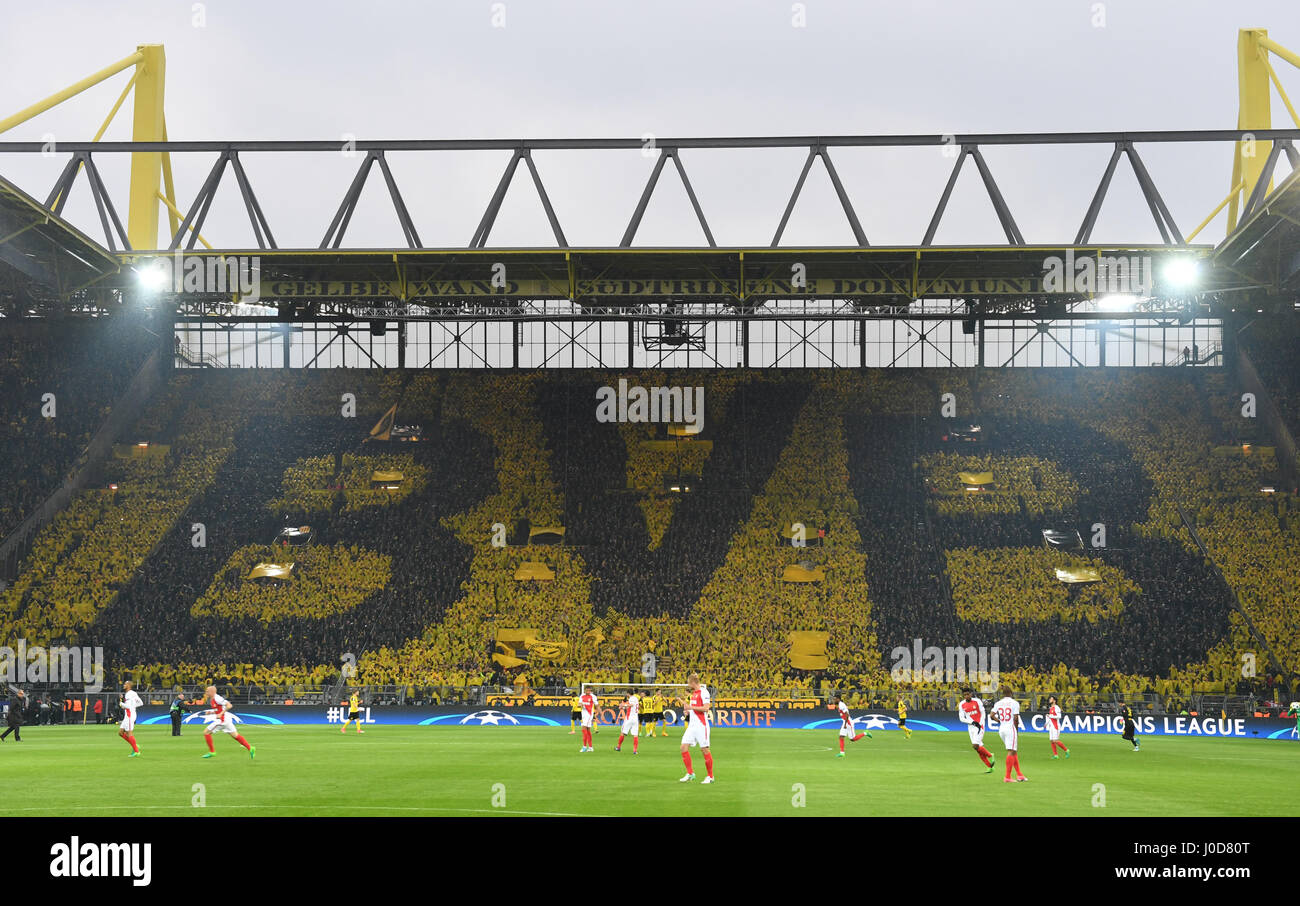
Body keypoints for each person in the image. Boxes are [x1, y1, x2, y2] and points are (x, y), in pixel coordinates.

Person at [198, 686, 255, 759]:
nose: (206, 693)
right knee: (235, 736)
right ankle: (250, 748)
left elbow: (229, 705)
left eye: (207, 691)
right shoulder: (212, 699)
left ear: (212, 692)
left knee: (206, 732)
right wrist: (210, 712)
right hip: (226, 720)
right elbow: (218, 710)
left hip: (222, 720)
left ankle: (212, 752)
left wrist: (221, 714)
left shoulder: (217, 698)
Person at [678, 673, 714, 783]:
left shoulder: (704, 692)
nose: (688, 685)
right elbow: (694, 709)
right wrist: (688, 711)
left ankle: (710, 776)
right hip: (692, 725)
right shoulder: (694, 694)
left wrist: (691, 707)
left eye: (689, 683)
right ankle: (690, 774)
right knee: (683, 747)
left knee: (704, 750)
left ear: (693, 682)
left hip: (701, 725)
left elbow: (706, 708)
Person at [991, 687, 1027, 783]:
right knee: (1011, 752)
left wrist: (999, 721)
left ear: (1003, 694)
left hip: (1002, 729)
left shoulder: (998, 703)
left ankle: (1019, 775)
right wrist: (1016, 730)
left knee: (1013, 751)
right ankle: (1007, 777)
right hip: (1010, 728)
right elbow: (1016, 718)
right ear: (1011, 693)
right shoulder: (1014, 703)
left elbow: (991, 715)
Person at [958, 688, 995, 774]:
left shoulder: (977, 701)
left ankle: (990, 755)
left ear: (971, 694)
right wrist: (972, 722)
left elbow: (983, 713)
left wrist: (980, 723)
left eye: (968, 694)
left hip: (979, 726)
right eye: (965, 695)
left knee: (975, 745)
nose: (967, 696)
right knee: (978, 749)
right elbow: (961, 718)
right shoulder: (961, 704)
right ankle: (989, 767)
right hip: (971, 727)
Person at [120, 681, 143, 757]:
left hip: (130, 715)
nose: (124, 685)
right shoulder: (132, 693)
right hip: (127, 715)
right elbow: (140, 703)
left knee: (129, 733)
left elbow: (129, 706)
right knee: (120, 733)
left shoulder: (129, 694)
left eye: (125, 684)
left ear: (129, 685)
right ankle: (135, 745)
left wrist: (122, 704)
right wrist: (132, 706)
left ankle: (136, 751)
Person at [578, 687, 597, 753]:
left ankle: (584, 747)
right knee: (588, 730)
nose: (588, 691)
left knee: (584, 729)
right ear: (585, 690)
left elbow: (597, 705)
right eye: (587, 690)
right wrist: (581, 705)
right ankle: (591, 747)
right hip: (583, 714)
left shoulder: (593, 696)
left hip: (589, 715)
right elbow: (579, 704)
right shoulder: (582, 696)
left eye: (590, 690)